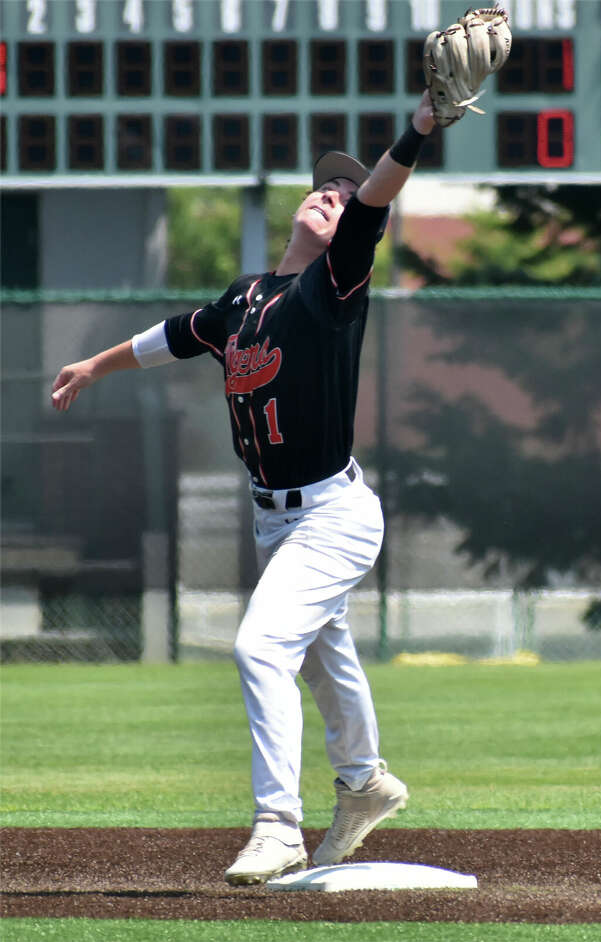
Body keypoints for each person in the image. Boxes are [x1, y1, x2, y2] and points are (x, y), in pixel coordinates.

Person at [51, 92, 441, 886]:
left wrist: (423, 127)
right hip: (276, 523)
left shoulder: (335, 289)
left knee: (260, 645)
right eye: (325, 185)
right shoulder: (245, 298)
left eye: (345, 194)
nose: (331, 193)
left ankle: (277, 823)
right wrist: (95, 364)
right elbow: (172, 336)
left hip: (333, 509)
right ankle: (366, 784)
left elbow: (375, 200)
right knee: (325, 663)